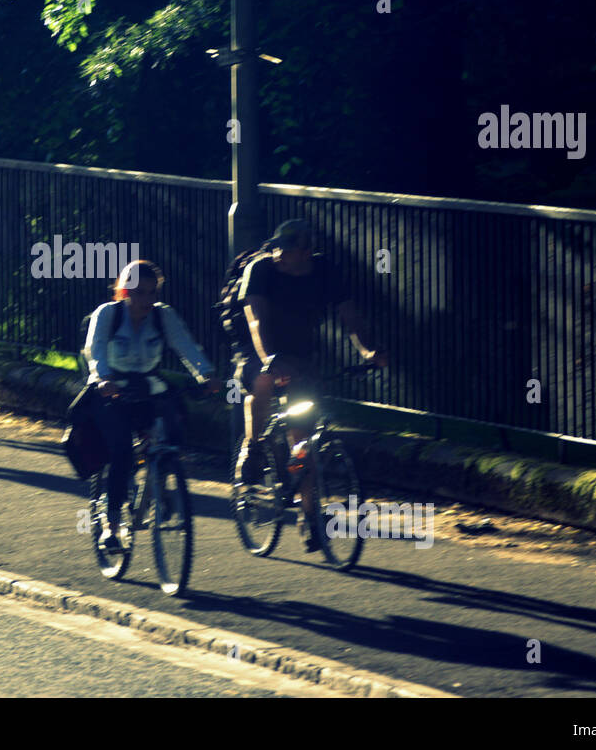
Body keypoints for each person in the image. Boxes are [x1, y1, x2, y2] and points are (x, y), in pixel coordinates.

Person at [235, 219, 388, 539]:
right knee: (263, 382)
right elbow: (255, 322)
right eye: (275, 247)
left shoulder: (323, 271)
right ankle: (253, 448)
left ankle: (310, 518)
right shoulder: (260, 270)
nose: (278, 254)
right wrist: (270, 360)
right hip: (257, 351)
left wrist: (369, 350)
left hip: (301, 357)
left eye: (286, 250)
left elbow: (350, 317)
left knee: (303, 439)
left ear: (305, 253)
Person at [84, 260, 216, 552]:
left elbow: (186, 346)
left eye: (152, 292)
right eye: (139, 293)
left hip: (146, 386)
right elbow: (94, 351)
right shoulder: (108, 314)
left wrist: (205, 374)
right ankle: (112, 525)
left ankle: (161, 481)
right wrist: (103, 379)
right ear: (125, 291)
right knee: (120, 453)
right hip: (111, 390)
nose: (147, 300)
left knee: (173, 432)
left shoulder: (162, 315)